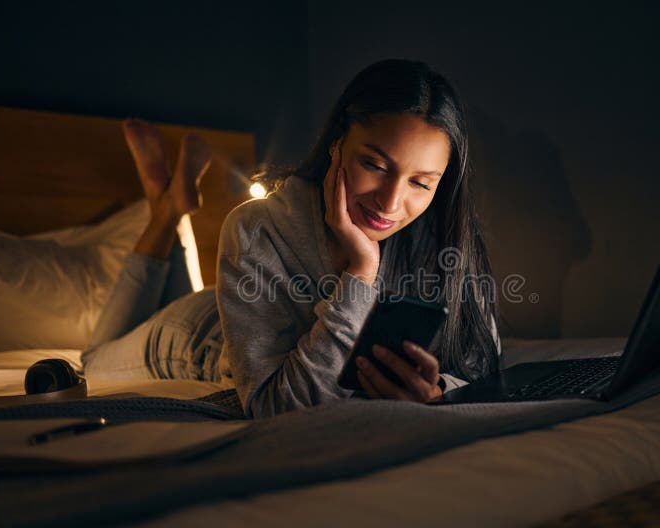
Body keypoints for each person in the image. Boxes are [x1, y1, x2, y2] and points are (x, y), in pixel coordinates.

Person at [82, 59, 501, 419]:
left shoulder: (444, 240)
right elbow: (276, 408)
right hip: (195, 338)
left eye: (421, 183)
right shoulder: (258, 226)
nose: (391, 203)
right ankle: (165, 213)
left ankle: (169, 204)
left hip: (241, 301)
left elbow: (481, 366)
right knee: (91, 359)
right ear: (337, 143)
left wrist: (437, 391)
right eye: (374, 164)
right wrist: (361, 274)